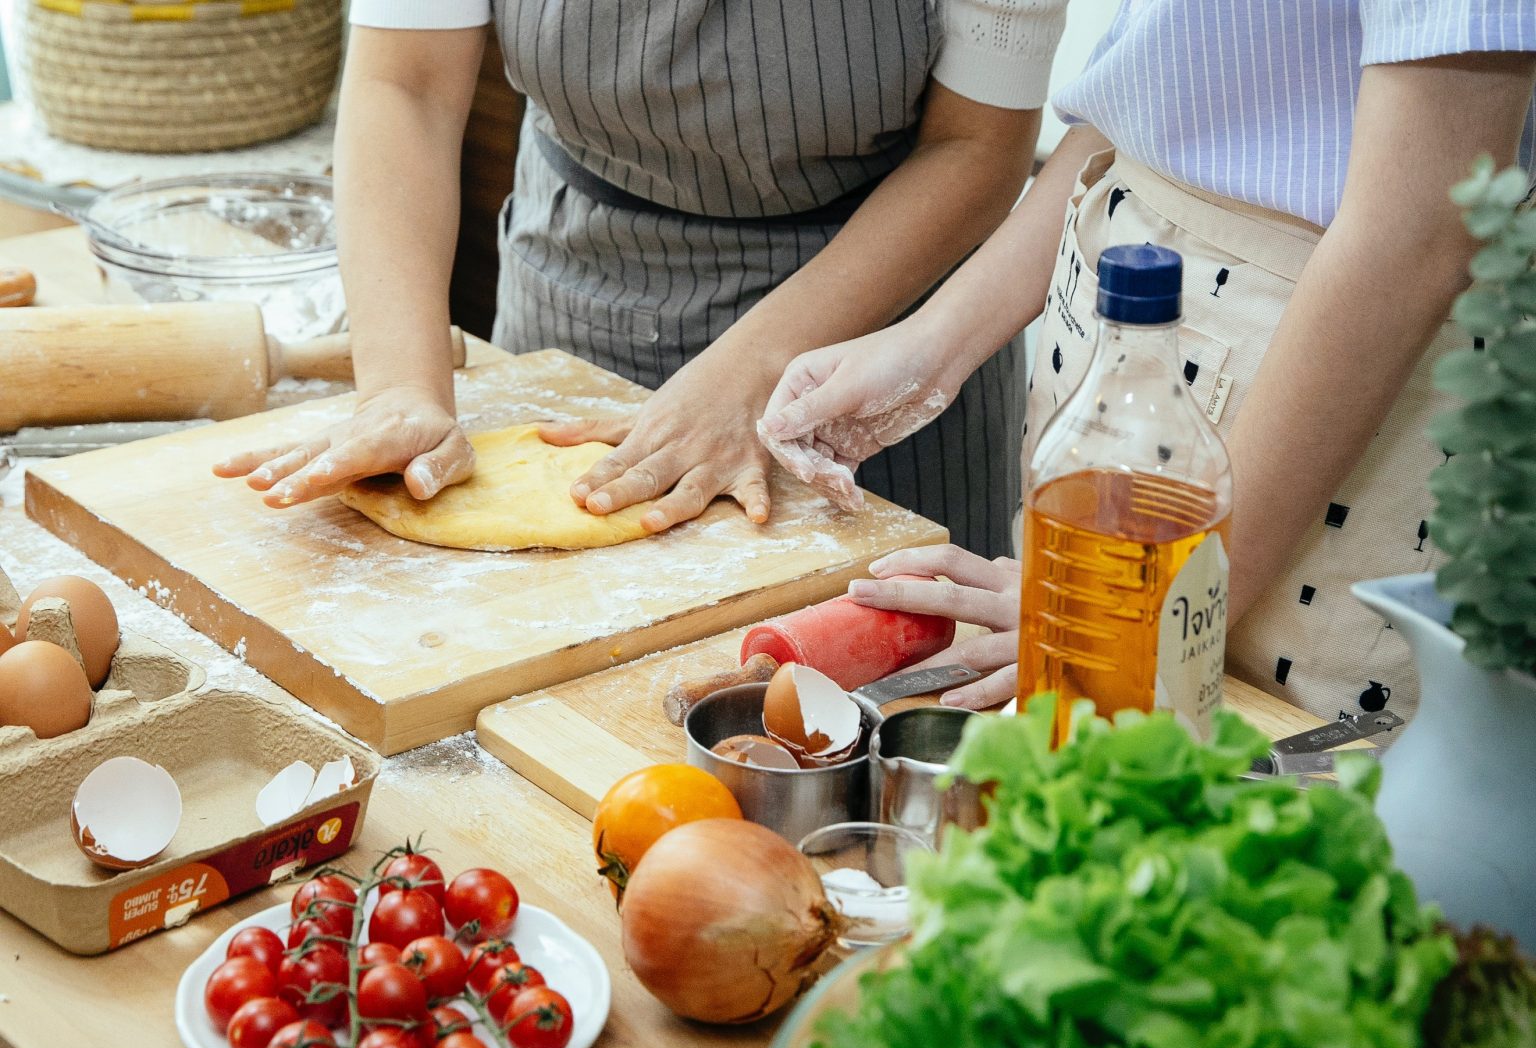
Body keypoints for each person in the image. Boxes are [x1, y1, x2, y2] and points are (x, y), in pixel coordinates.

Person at [758, 1, 1536, 723]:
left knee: (1254, 814)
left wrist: (1157, 608)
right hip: (1116, 333)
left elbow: (1418, 234)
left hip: (1331, 405)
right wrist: (927, 346)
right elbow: (1150, 100)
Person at [213, 0, 1074, 558]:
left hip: (869, 361)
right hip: (577, 296)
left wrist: (753, 375)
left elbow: (978, 146)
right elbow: (408, 86)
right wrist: (401, 388)